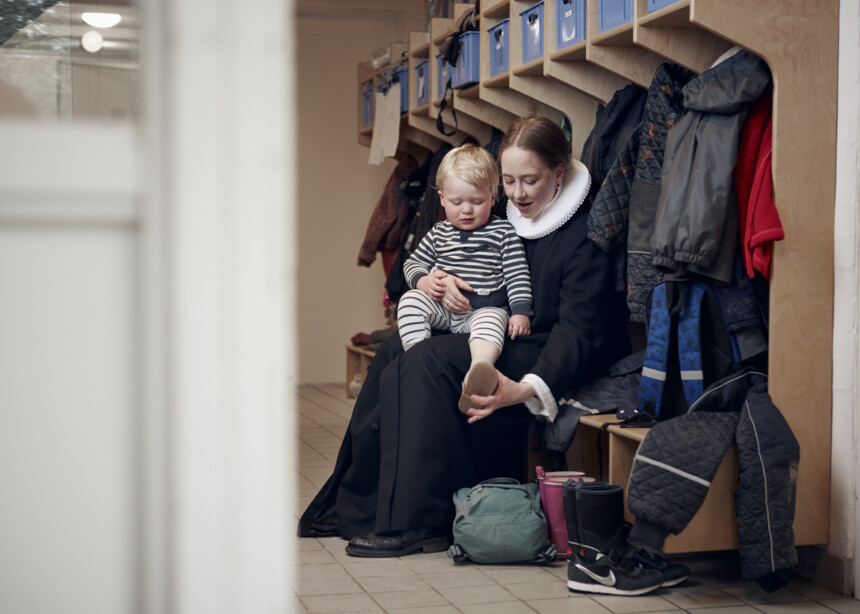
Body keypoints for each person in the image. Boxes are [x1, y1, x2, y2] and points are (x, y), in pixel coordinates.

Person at [298, 116, 627, 561]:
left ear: (559, 175)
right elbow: (462, 268)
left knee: (426, 361)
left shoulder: (583, 235)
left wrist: (526, 388)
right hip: (488, 330)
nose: (517, 193)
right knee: (394, 349)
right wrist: (439, 282)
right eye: (508, 180)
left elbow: (581, 332)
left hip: (541, 350)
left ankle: (420, 520)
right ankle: (359, 503)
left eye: (530, 180)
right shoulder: (493, 215)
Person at [398, 144, 532, 412]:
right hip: (443, 310)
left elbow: (517, 275)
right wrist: (423, 281)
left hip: (481, 311)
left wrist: (520, 312)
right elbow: (412, 264)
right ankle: (415, 358)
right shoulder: (438, 233)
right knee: (410, 301)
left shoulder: (502, 233)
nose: (467, 210)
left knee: (494, 320)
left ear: (493, 198)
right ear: (442, 200)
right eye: (457, 202)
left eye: (477, 202)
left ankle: (479, 370)